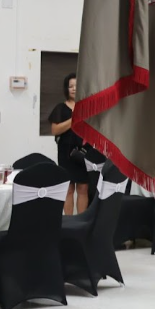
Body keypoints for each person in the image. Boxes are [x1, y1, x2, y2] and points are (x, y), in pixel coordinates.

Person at [48, 73, 88, 215]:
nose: (73, 89)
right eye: (70, 86)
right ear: (66, 89)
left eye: (77, 86)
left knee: (83, 188)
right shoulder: (60, 108)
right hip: (66, 153)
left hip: (84, 152)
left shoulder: (88, 106)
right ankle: (69, 223)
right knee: (68, 189)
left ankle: (82, 221)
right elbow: (55, 130)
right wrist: (74, 119)